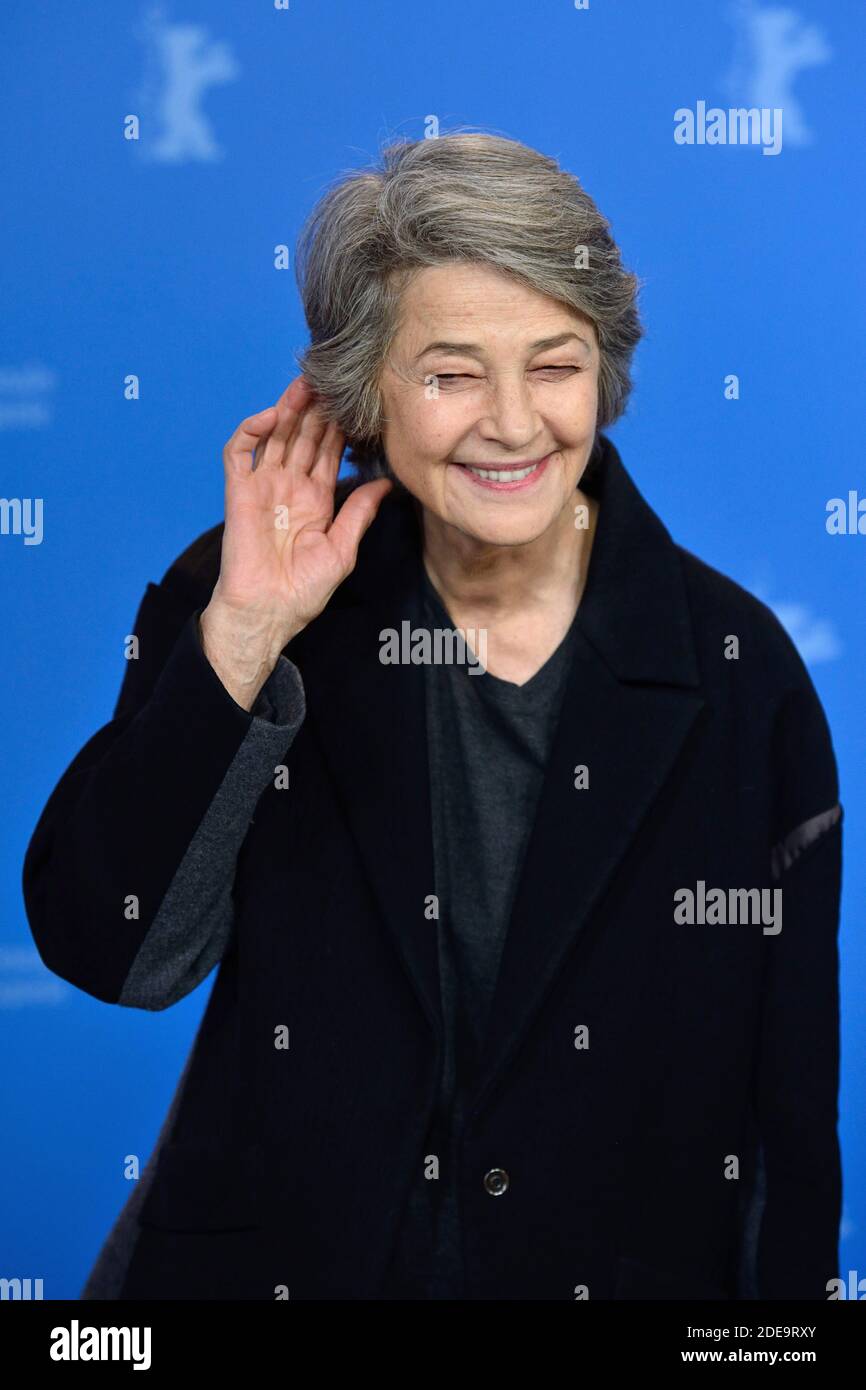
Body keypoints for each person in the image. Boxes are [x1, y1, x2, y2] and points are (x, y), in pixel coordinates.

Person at [23, 132, 842, 1301]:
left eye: (552, 366)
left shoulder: (740, 670)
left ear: (603, 374)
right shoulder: (242, 589)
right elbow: (118, 949)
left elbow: (783, 1128)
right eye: (451, 373)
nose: (511, 425)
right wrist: (247, 635)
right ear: (361, 395)